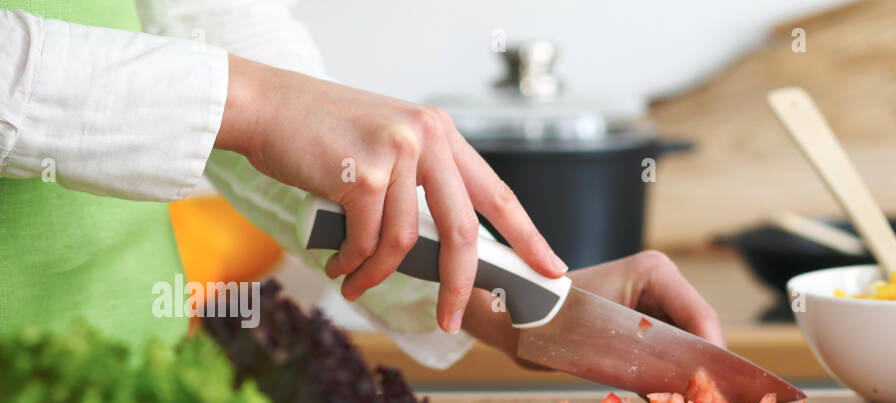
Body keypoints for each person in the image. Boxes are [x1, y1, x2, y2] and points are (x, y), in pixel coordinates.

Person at [0, 0, 724, 367]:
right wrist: (246, 103)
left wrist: (514, 296)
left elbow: (204, 26)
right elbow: (243, 101)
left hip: (138, 387)